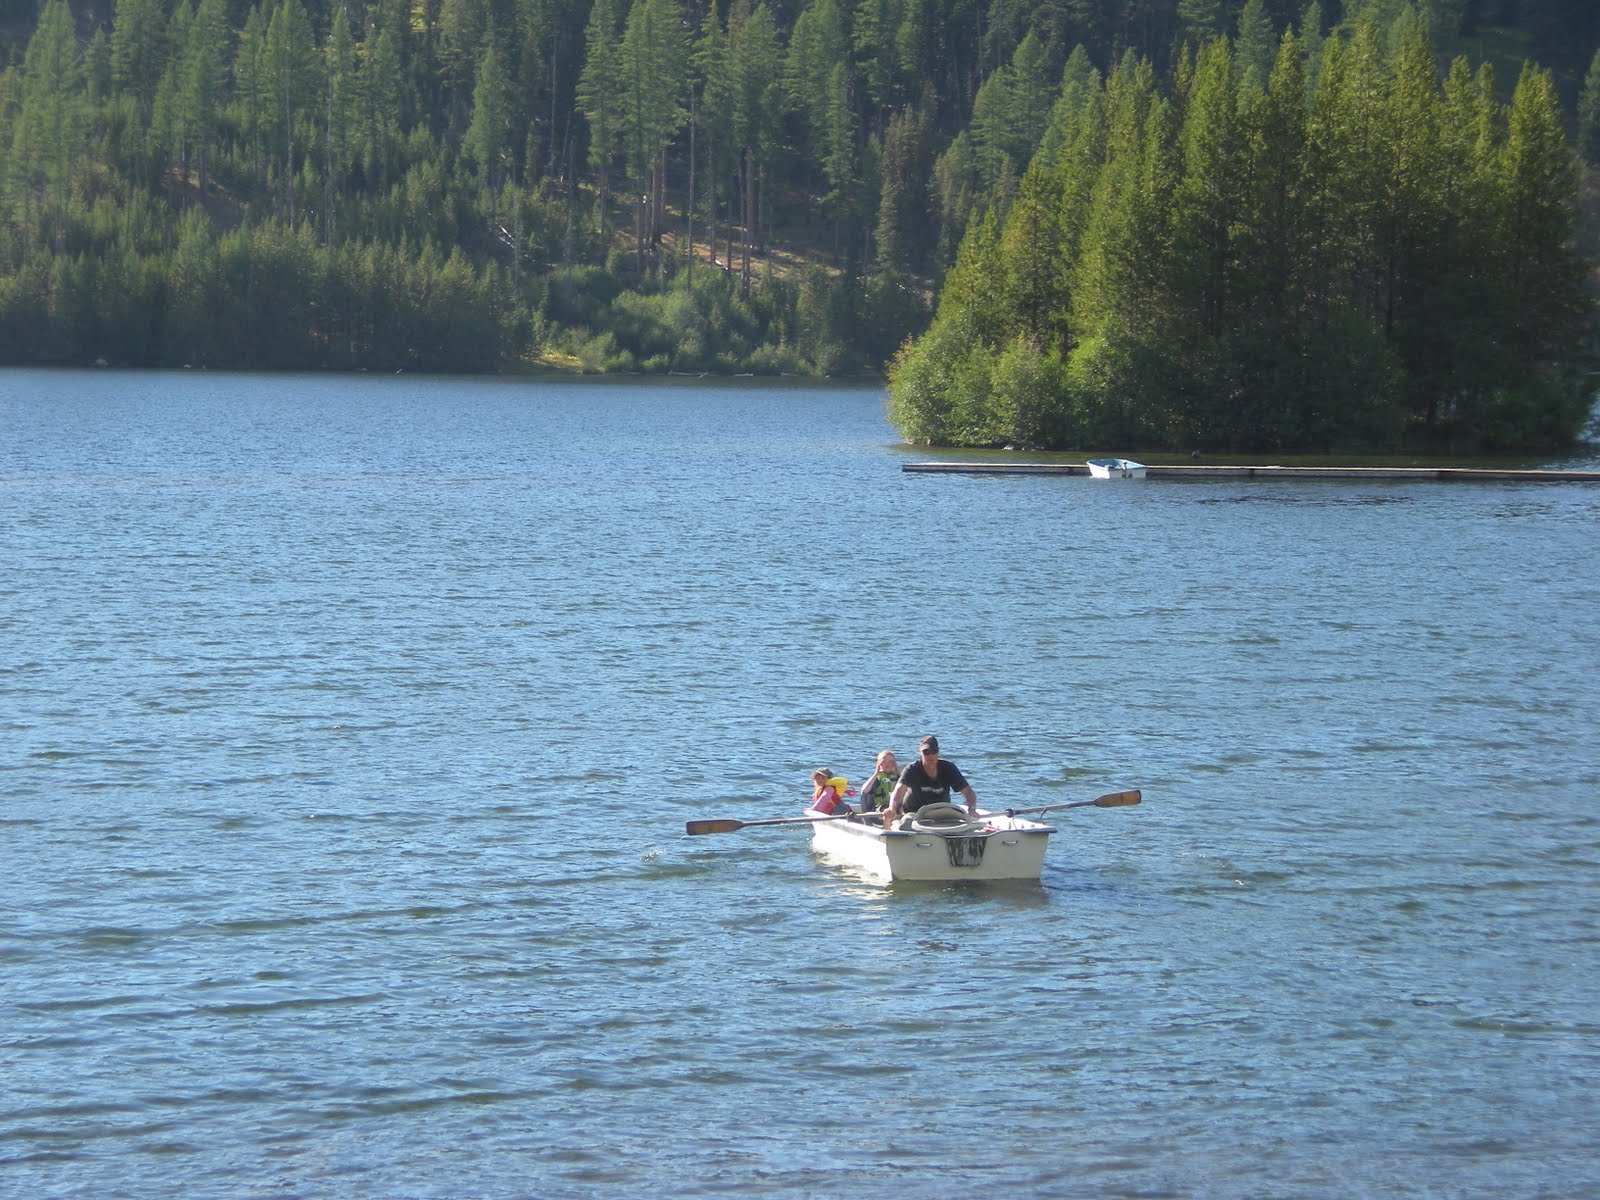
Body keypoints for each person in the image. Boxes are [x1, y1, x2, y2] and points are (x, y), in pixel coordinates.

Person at [882, 735, 979, 828]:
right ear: (920, 753)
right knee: (906, 823)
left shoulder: (949, 768)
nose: (930, 755)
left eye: (934, 751)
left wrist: (972, 809)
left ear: (938, 752)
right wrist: (892, 808)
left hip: (941, 813)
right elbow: (898, 791)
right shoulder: (912, 769)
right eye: (926, 752)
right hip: (915, 813)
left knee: (966, 822)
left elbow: (968, 792)